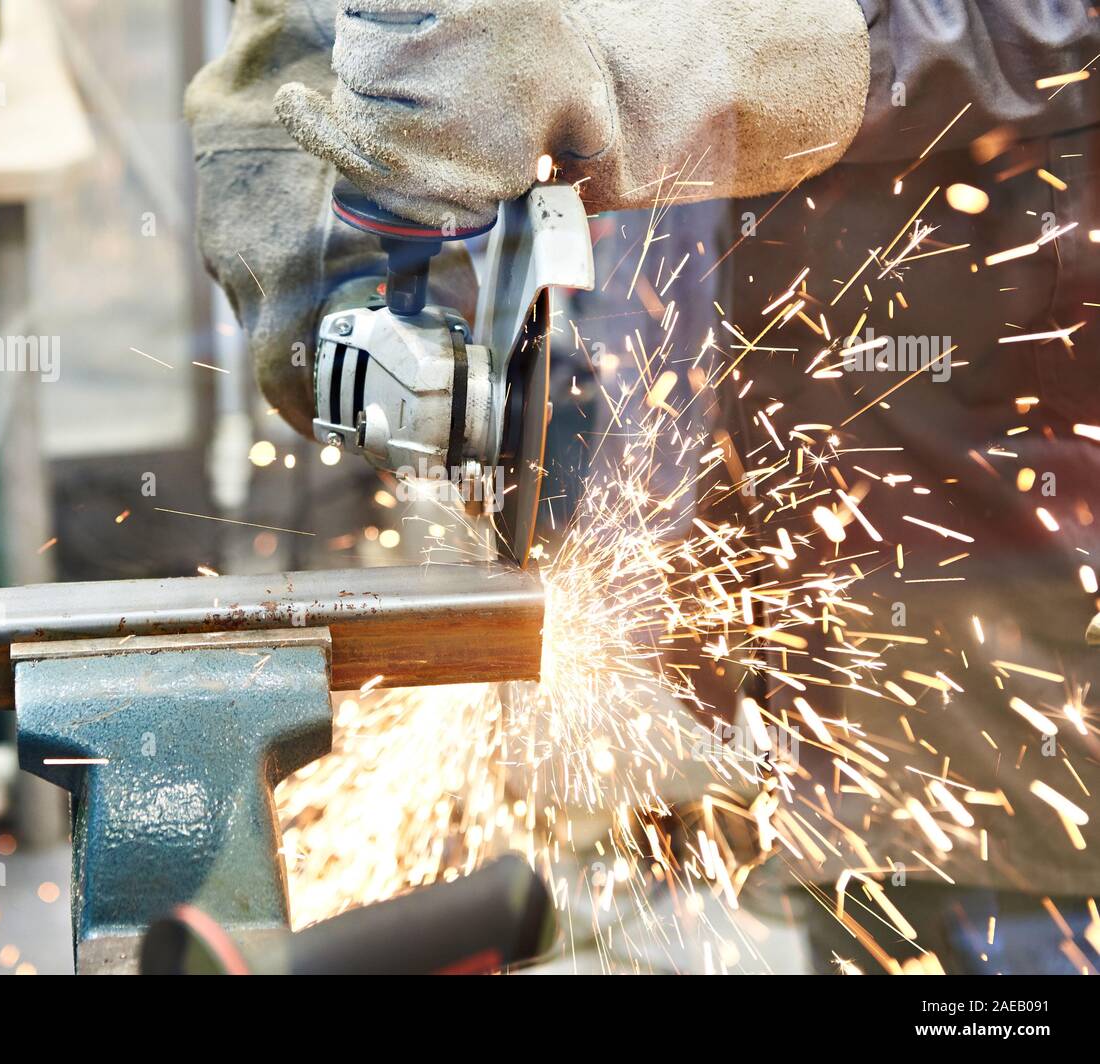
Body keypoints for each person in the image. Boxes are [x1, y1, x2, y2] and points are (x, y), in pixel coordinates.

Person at [188, 1, 1100, 972]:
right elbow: (316, 35)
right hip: (725, 570)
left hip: (989, 555)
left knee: (998, 927)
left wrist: (659, 66)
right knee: (853, 906)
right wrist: (338, 243)